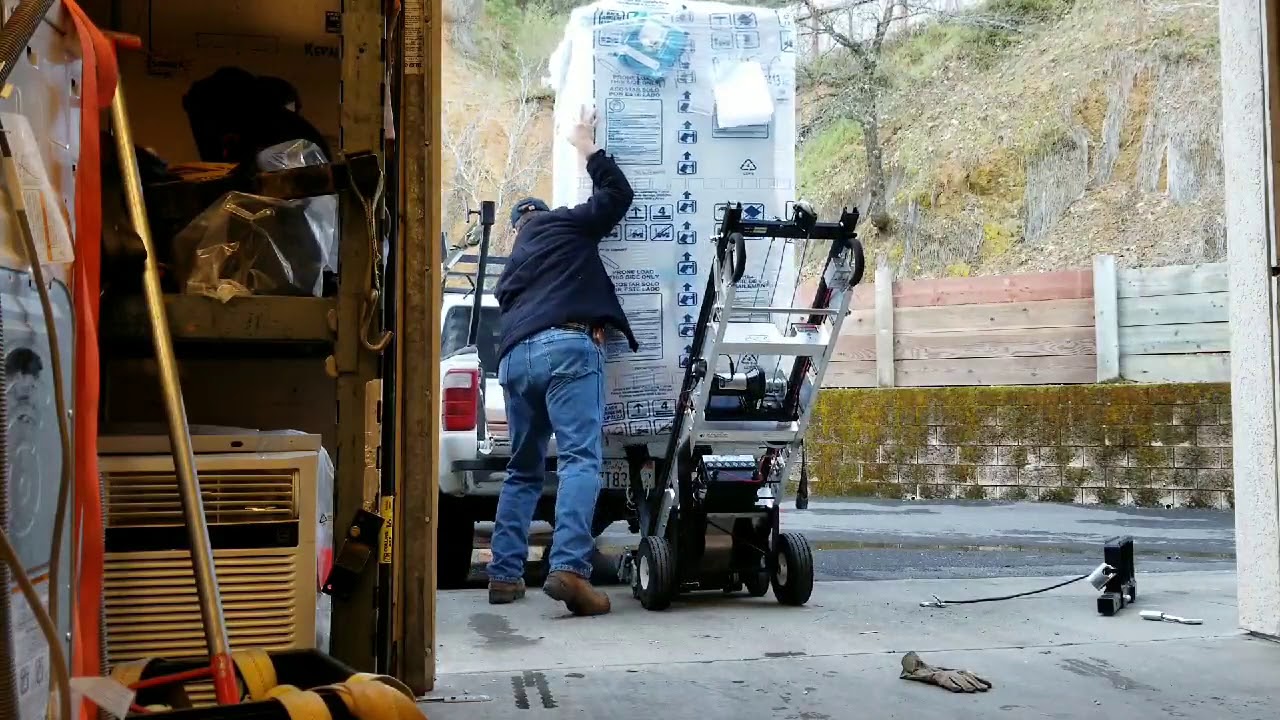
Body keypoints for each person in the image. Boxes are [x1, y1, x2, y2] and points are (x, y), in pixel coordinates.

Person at [486, 106, 638, 616]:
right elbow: (617, 196)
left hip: (515, 361)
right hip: (567, 348)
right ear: (543, 214)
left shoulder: (512, 268)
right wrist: (585, 145)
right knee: (579, 460)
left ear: (515, 229)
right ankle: (570, 567)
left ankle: (504, 574)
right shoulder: (563, 224)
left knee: (523, 469)